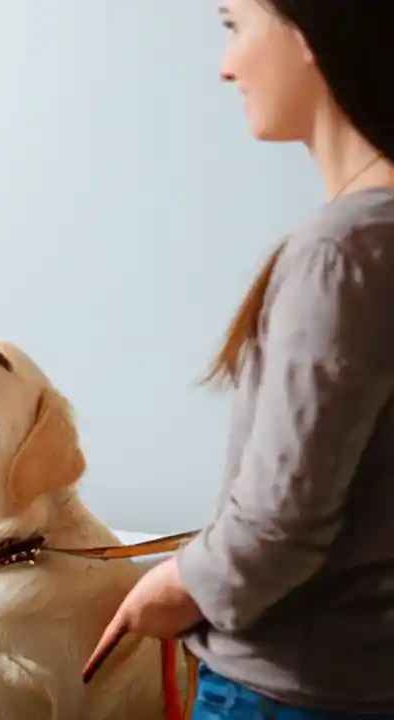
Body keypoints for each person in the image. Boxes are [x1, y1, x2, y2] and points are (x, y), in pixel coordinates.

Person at [84, 1, 394, 717]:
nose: (226, 67)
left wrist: (177, 584)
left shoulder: (342, 251)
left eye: (234, 25)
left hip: (287, 690)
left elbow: (281, 523)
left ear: (311, 32)